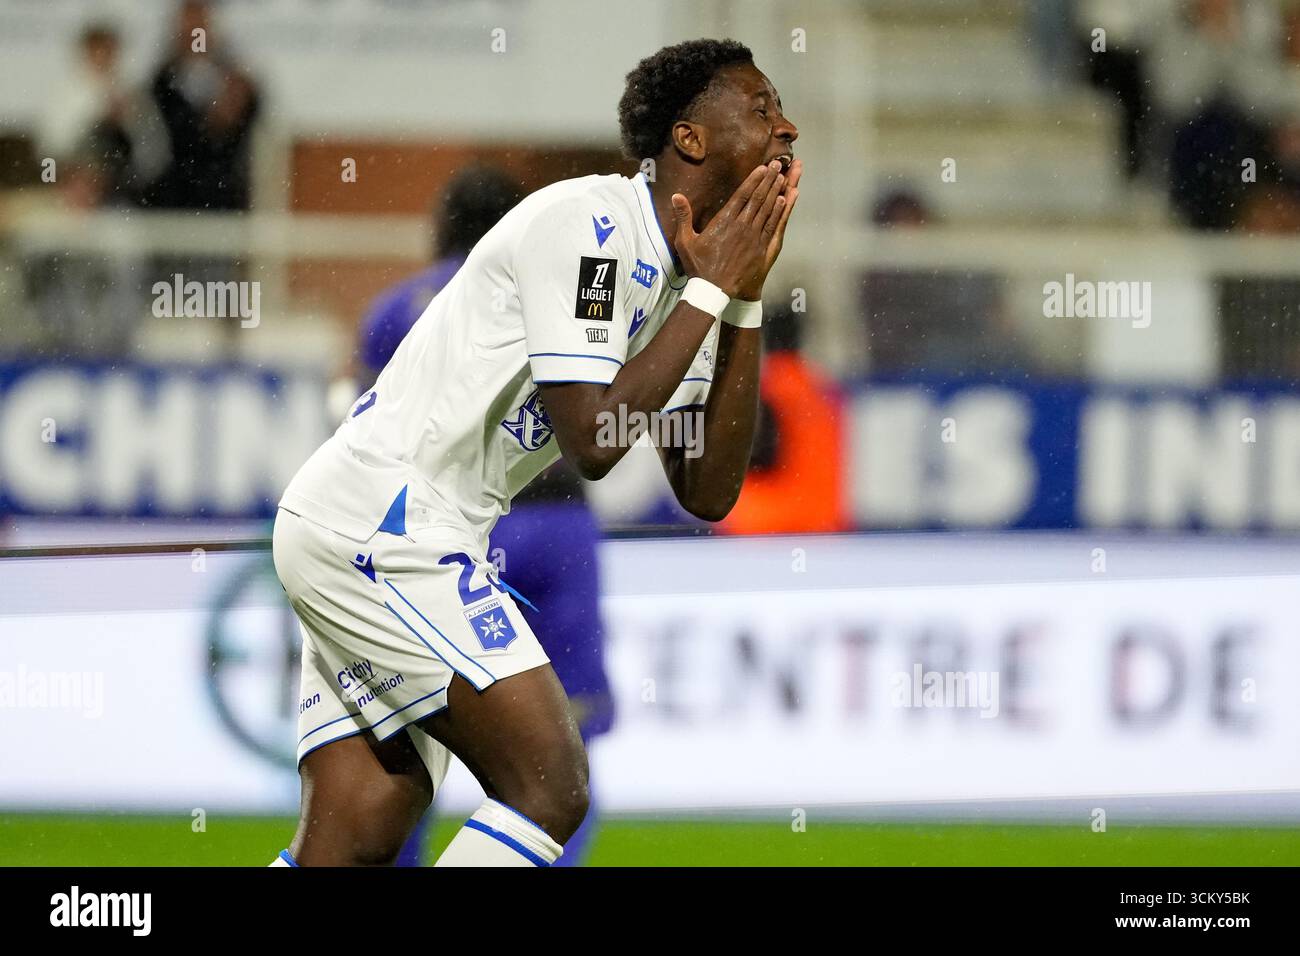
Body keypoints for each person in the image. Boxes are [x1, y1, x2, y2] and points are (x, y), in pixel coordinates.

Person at [269, 38, 800, 867]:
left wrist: (741, 300)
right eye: (763, 109)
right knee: (550, 784)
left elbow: (705, 488)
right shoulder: (592, 227)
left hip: (383, 525)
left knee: (359, 832)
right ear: (689, 139)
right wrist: (708, 292)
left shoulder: (685, 281)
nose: (788, 128)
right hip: (386, 521)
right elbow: (593, 439)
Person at [349, 165, 614, 866]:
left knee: (401, 733)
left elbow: (369, 436)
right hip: (555, 521)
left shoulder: (391, 312)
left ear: (439, 227)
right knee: (565, 744)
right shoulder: (547, 295)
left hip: (437, 533)